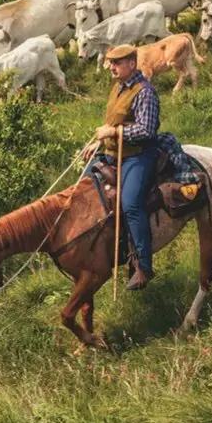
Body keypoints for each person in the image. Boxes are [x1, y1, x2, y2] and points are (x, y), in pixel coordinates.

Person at [84, 44, 161, 290]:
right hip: (111, 153)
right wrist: (99, 141)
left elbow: (146, 131)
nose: (111, 67)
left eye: (116, 63)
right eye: (110, 63)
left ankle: (142, 266)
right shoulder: (118, 87)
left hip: (137, 156)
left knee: (130, 204)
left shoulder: (144, 92)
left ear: (131, 64)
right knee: (82, 189)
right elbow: (114, 120)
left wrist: (113, 132)